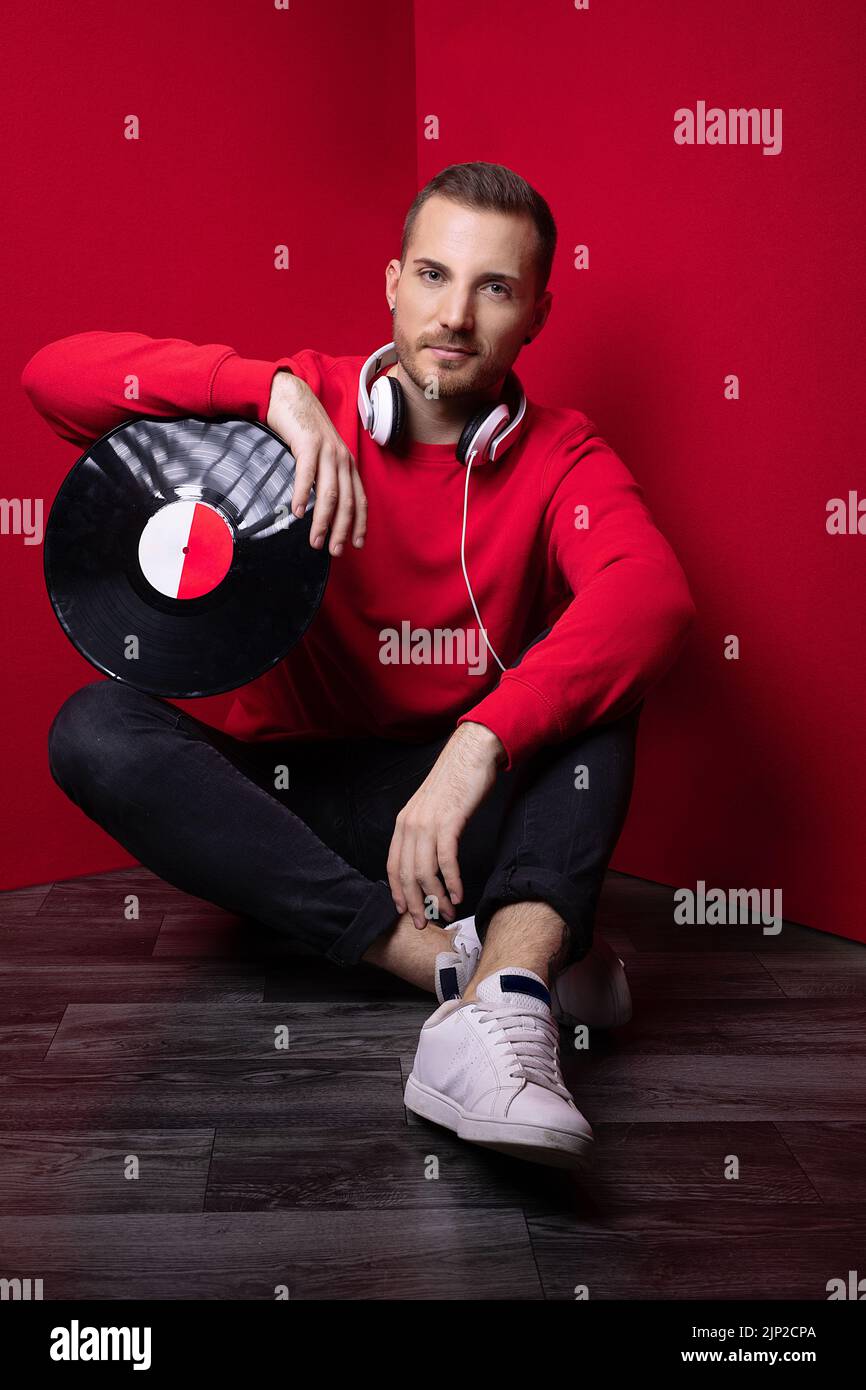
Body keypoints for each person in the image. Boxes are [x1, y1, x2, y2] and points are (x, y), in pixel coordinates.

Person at [21, 161, 696, 1169]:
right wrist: (268, 392)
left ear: (537, 314)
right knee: (94, 728)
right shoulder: (292, 407)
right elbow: (51, 377)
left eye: (494, 288)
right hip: (275, 813)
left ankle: (508, 1004)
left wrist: (475, 746)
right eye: (432, 275)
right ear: (391, 283)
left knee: (600, 684)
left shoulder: (560, 454)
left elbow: (652, 597)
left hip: (443, 814)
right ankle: (458, 967)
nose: (455, 315)